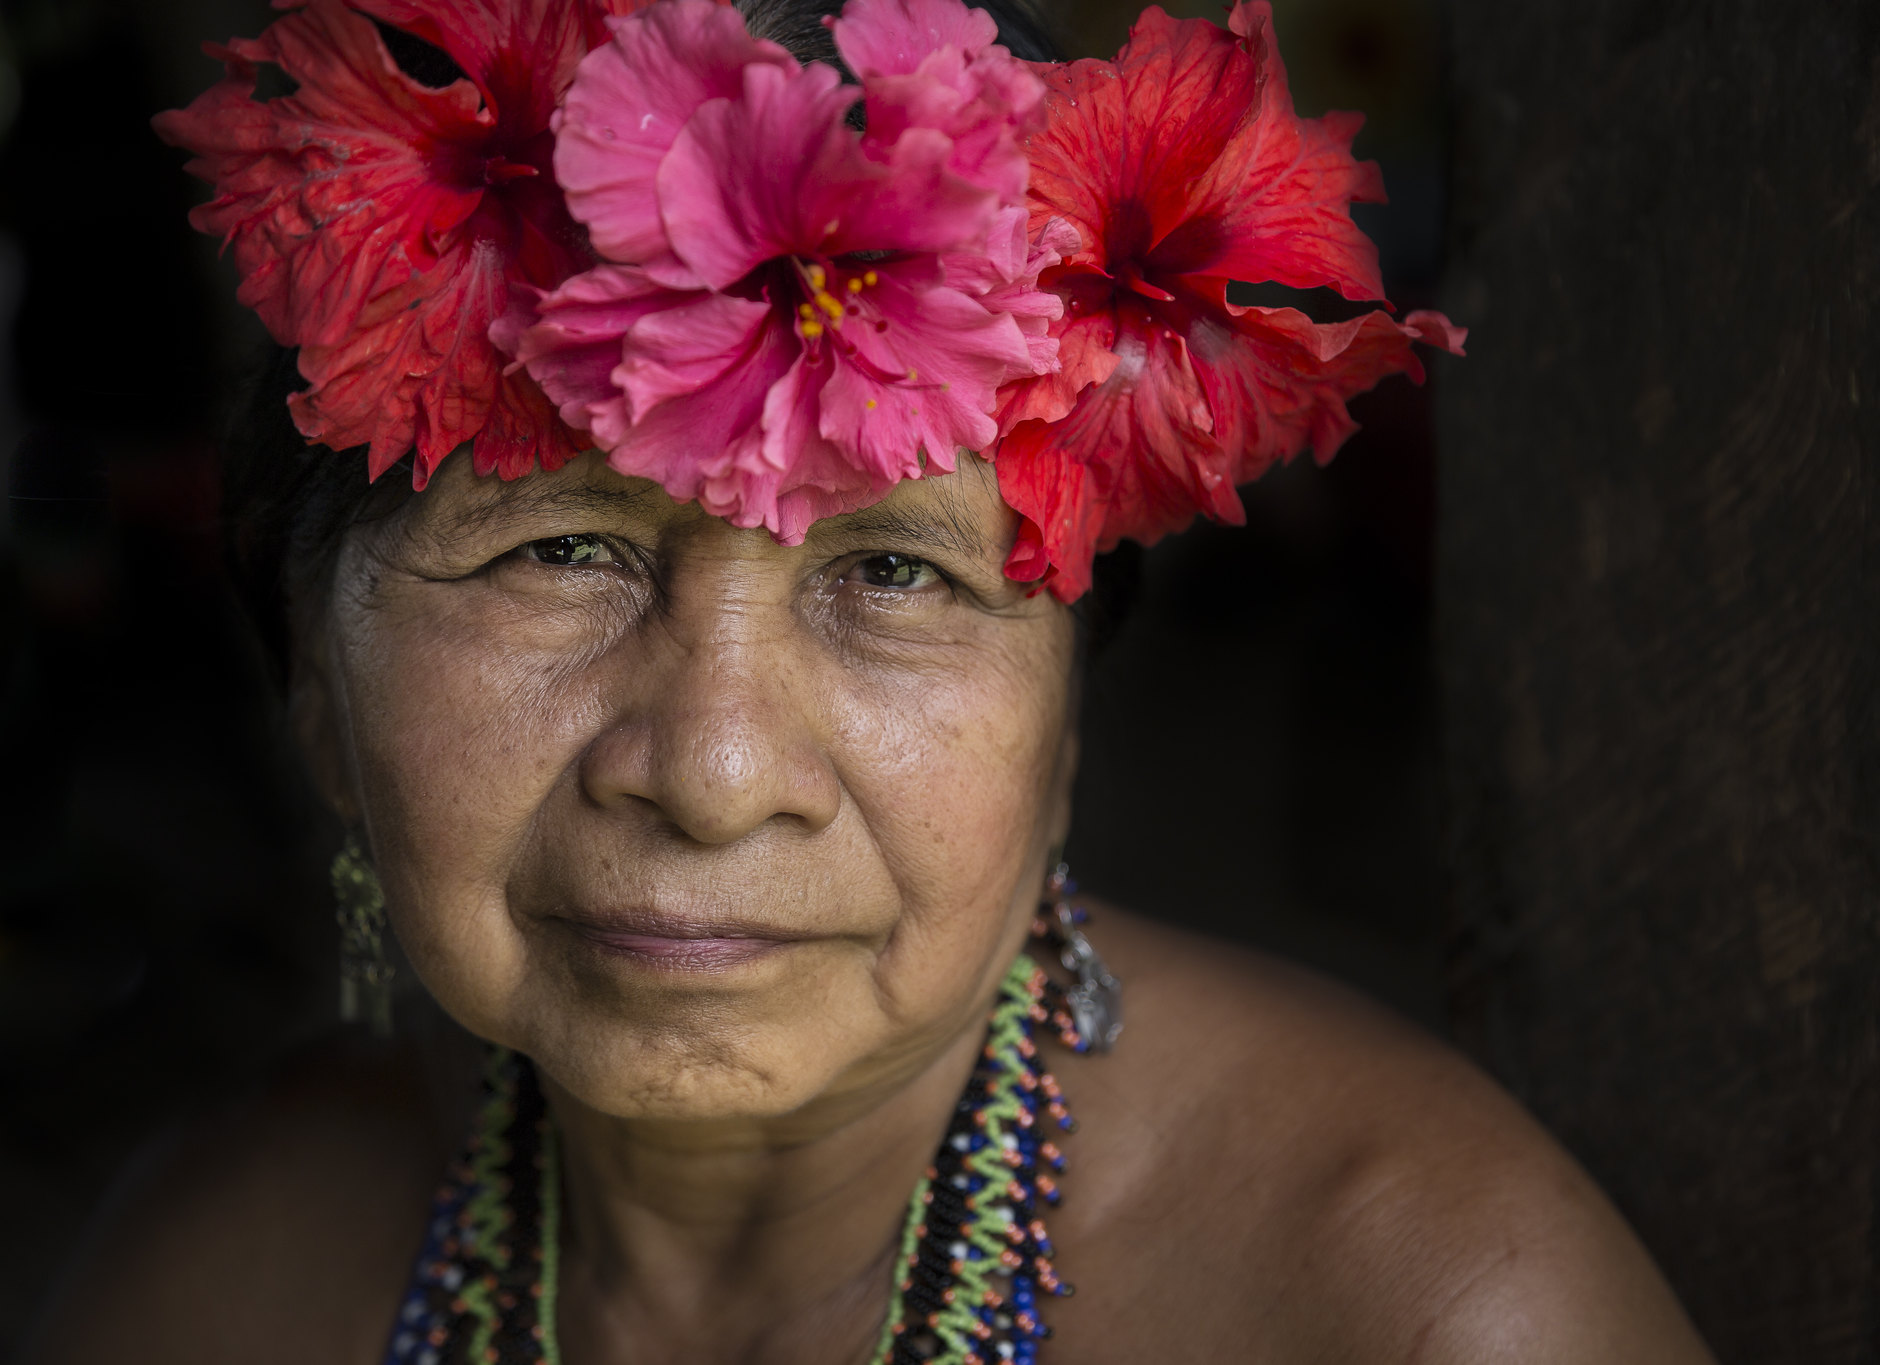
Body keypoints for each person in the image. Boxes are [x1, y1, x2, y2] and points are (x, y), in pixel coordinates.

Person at [25, 0, 1716, 1360]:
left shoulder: (1422, 1319)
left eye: (893, 570)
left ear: (1065, 712)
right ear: (318, 681)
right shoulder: (206, 1285)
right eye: (560, 551)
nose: (714, 766)